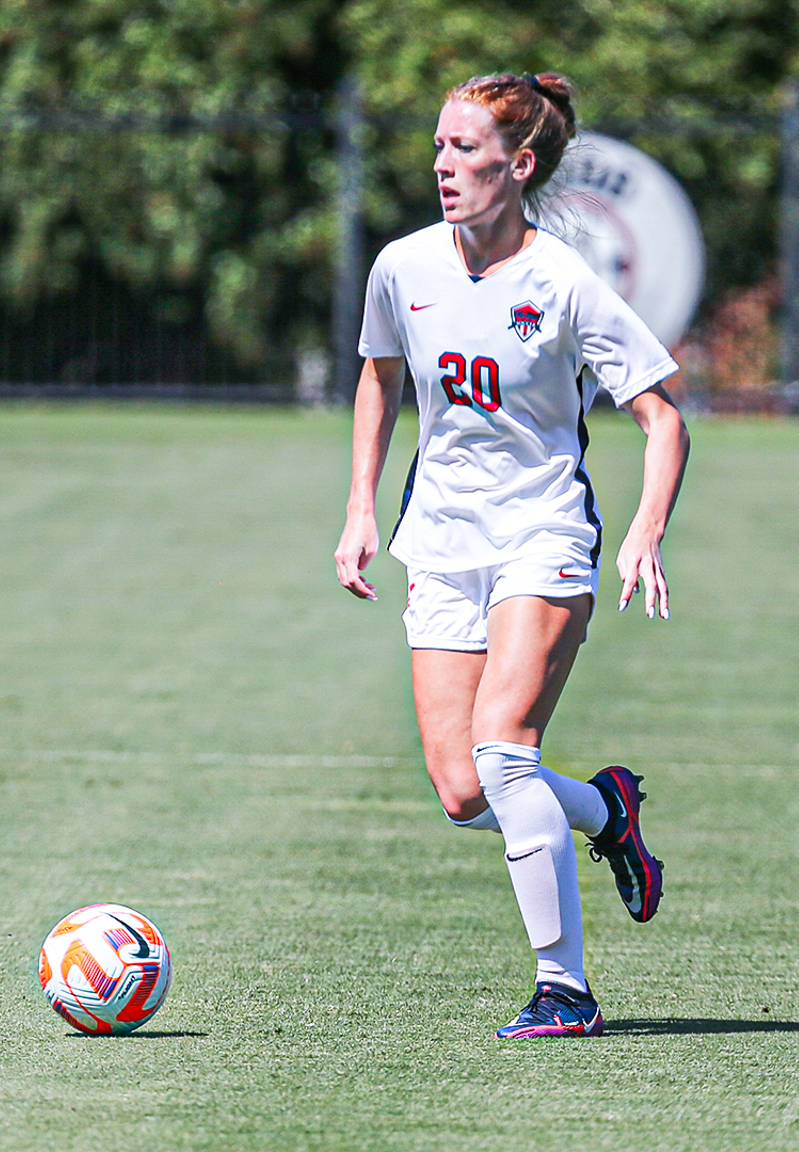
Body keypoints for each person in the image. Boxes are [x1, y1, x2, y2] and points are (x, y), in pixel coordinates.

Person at [332, 71, 690, 1039]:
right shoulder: (402, 267)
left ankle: (563, 991)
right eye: (439, 147)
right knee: (461, 792)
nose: (443, 167)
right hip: (441, 542)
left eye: (465, 150)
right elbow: (377, 380)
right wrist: (360, 505)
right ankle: (606, 813)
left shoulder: (563, 283)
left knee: (503, 753)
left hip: (542, 535)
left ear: (517, 164)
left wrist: (646, 529)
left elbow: (661, 418)